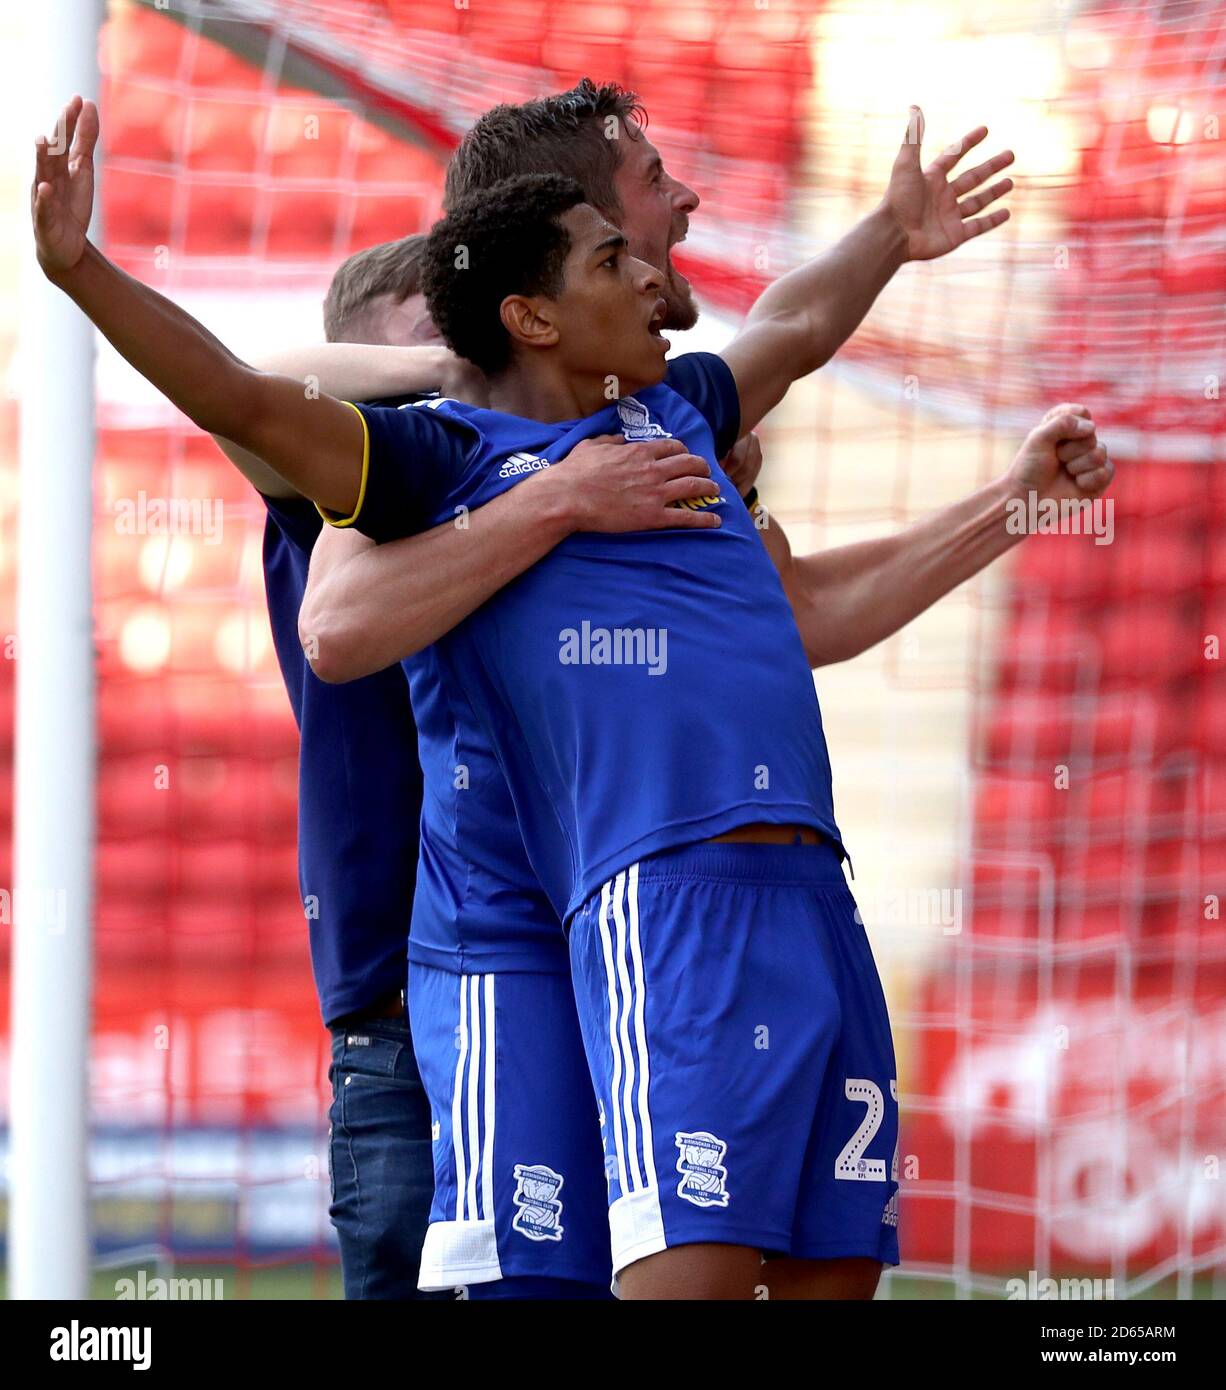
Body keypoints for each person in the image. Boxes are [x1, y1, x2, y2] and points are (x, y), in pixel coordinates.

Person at [33, 95, 1111, 1300]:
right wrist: (81, 269)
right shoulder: (443, 453)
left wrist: (888, 234)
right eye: (618, 252)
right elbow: (253, 412)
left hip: (802, 897)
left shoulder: (679, 418)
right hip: (580, 928)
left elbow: (798, 337)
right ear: (532, 311)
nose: (655, 277)